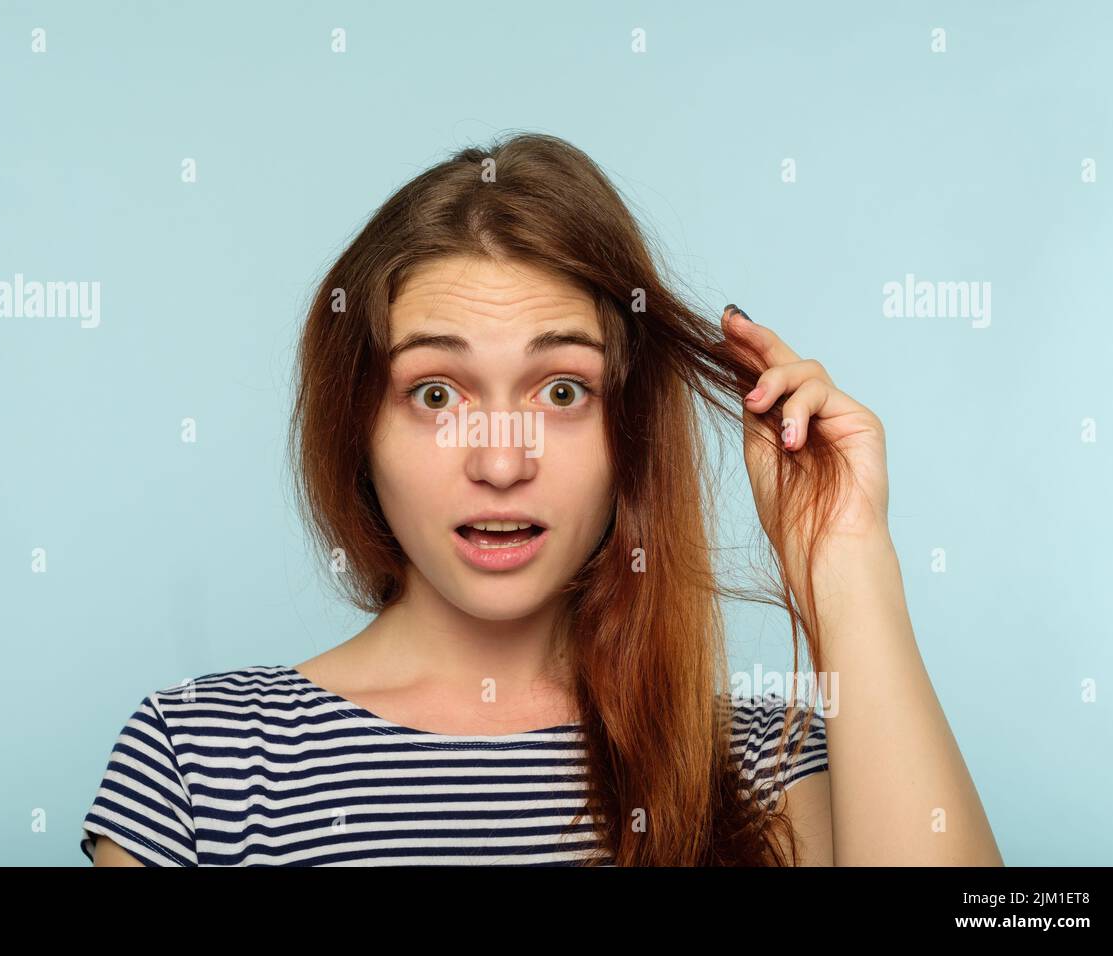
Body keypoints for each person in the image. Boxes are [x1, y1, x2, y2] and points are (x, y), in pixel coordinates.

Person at [81, 132, 1002, 866]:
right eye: (436, 394)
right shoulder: (200, 762)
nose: (501, 462)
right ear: (359, 427)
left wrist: (841, 556)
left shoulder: (762, 767)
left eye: (562, 391)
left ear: (628, 429)